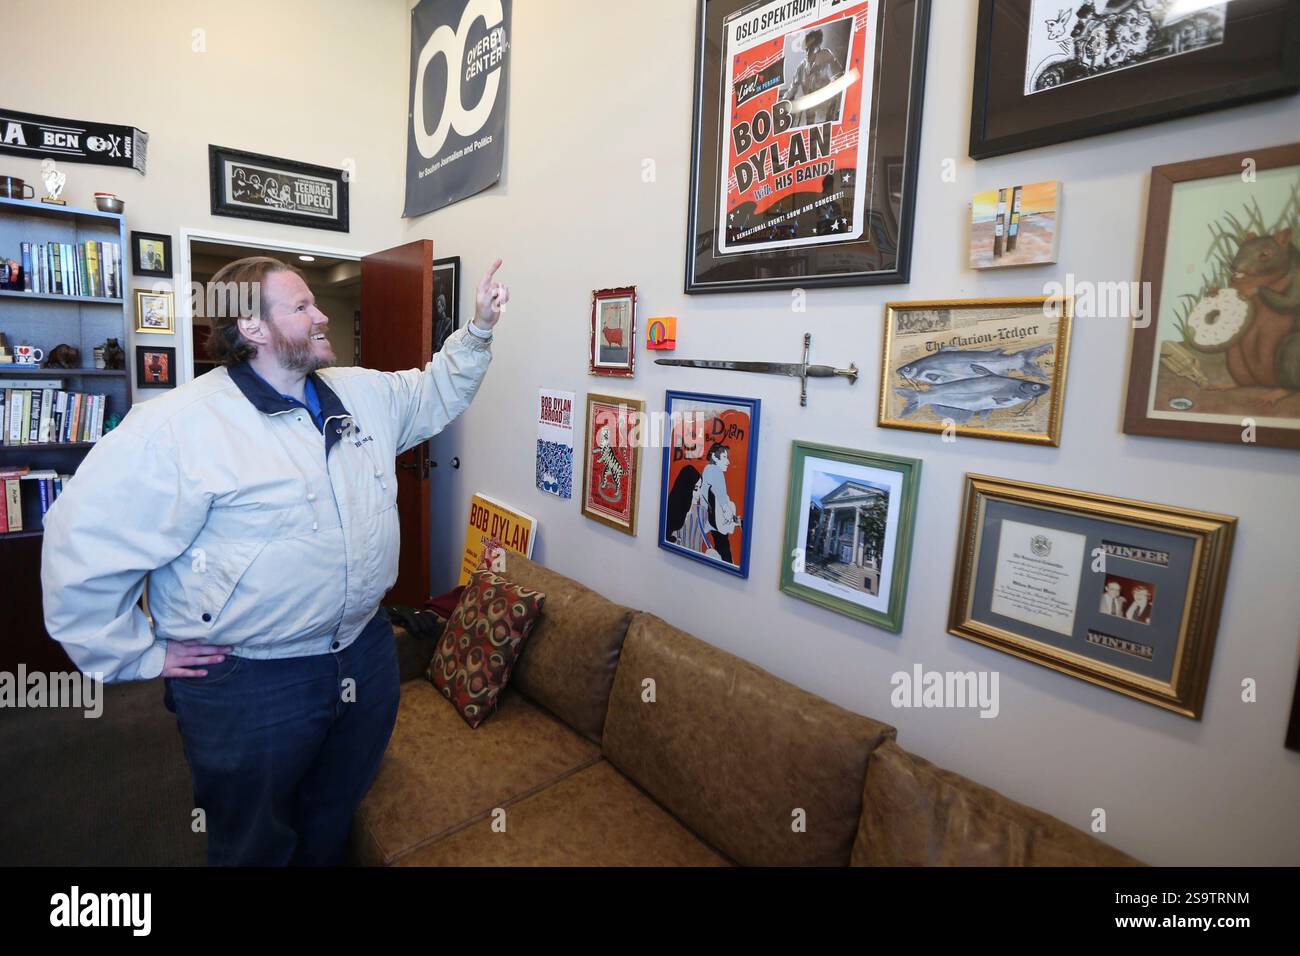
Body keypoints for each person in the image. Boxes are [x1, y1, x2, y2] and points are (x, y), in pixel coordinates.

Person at [41, 255, 509, 866]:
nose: (321, 316)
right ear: (253, 327)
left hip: (364, 658)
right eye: (302, 307)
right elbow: (82, 549)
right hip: (250, 683)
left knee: (333, 815)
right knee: (254, 841)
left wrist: (477, 330)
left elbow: (433, 390)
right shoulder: (175, 429)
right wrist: (141, 651)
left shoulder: (361, 393)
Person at [700, 442, 740, 565]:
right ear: (714, 457)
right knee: (724, 553)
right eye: (724, 457)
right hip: (717, 520)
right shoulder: (715, 471)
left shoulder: (707, 470)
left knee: (720, 547)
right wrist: (730, 516)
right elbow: (722, 498)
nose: (727, 462)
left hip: (711, 519)